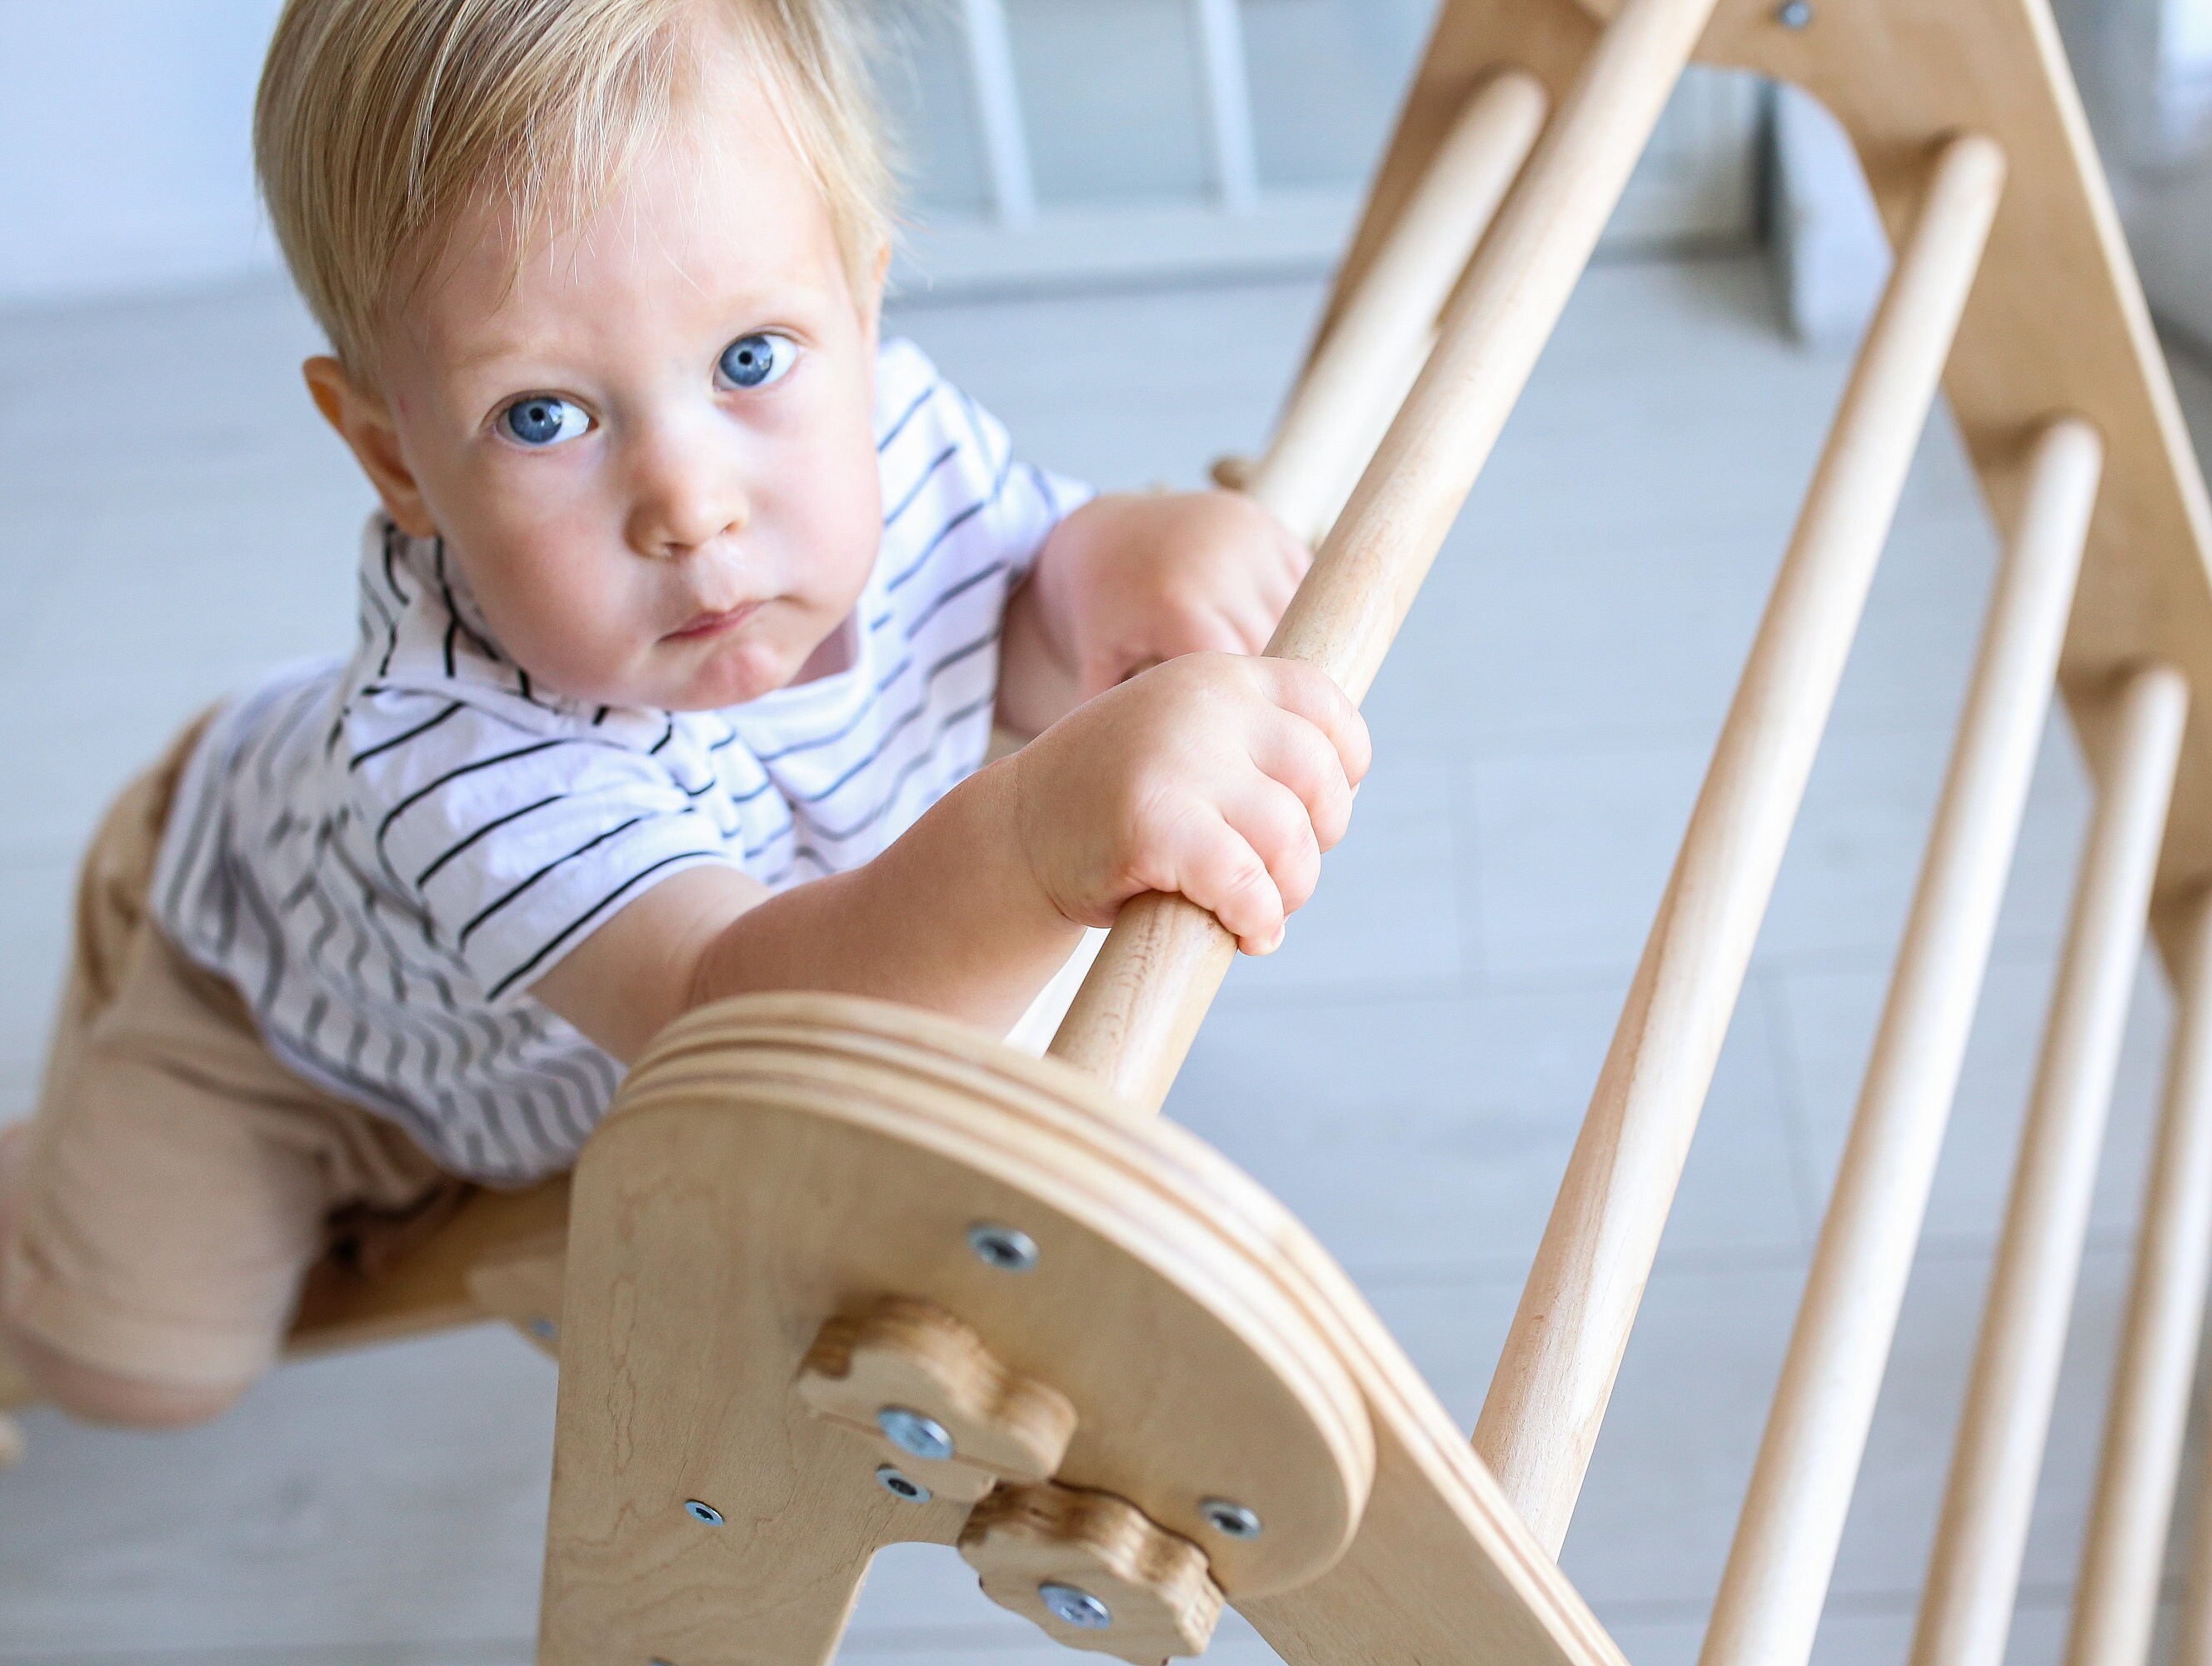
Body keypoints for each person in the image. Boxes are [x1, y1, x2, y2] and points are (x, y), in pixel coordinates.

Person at [0, 0, 1366, 1430]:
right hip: (273, 1004)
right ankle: (61, 1153)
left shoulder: (894, 436)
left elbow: (1009, 617)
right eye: (543, 417)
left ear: (861, 299)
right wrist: (1028, 842)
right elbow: (740, 1012)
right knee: (134, 1373)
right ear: (393, 458)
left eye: (752, 361)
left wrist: (1124, 554)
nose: (690, 503)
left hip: (525, 1034)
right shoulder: (461, 749)